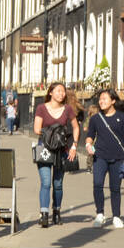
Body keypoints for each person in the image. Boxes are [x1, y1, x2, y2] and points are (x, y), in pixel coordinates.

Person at [84, 88, 124, 229]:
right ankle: (100, 214)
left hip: (118, 157)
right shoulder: (96, 118)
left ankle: (116, 216)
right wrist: (88, 144)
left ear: (113, 101)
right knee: (98, 184)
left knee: (115, 188)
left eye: (105, 98)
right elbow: (90, 135)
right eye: (100, 99)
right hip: (100, 156)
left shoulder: (123, 118)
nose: (101, 101)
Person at [33, 81, 79, 227]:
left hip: (61, 150)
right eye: (58, 91)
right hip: (45, 149)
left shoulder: (67, 109)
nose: (61, 93)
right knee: (46, 182)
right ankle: (44, 214)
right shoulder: (41, 108)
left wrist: (74, 146)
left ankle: (57, 212)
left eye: (63, 91)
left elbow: (76, 127)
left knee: (58, 184)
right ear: (51, 92)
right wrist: (53, 132)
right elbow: (36, 129)